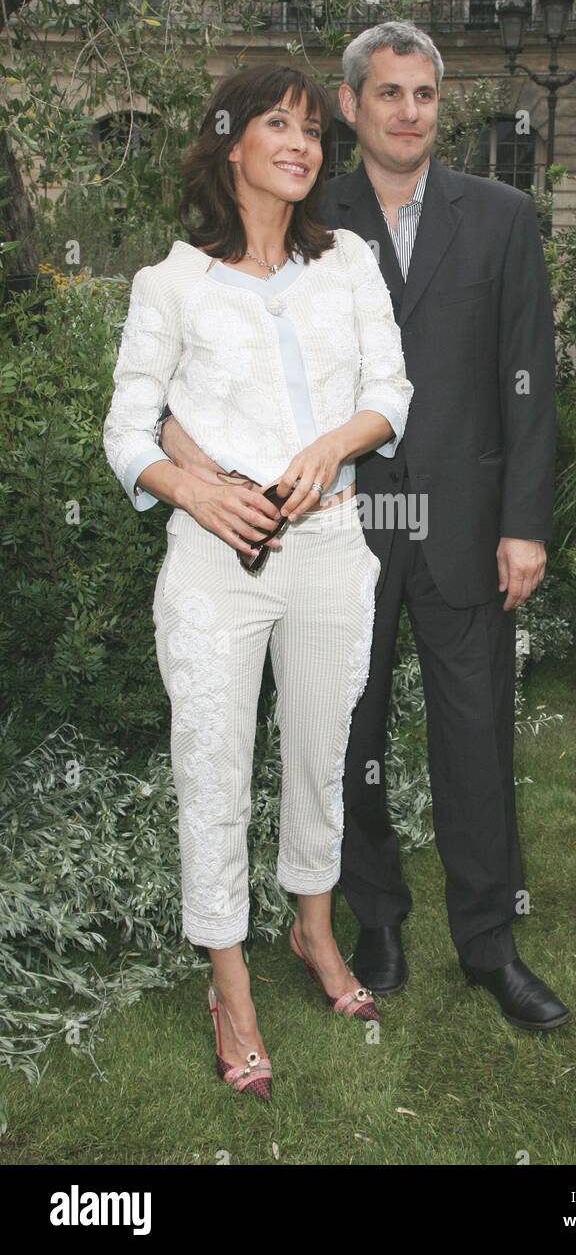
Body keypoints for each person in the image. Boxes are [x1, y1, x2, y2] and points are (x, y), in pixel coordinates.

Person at [154, 22, 571, 1032]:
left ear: (439, 105)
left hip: (467, 523)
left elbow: (529, 380)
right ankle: (373, 919)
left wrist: (524, 522)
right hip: (335, 524)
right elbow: (202, 353)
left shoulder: (503, 215)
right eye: (387, 93)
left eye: (423, 94)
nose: (407, 111)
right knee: (349, 736)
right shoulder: (302, 209)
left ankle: (490, 943)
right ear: (351, 105)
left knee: (475, 737)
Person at [102, 62, 414, 1100]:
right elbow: (125, 423)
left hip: (330, 551)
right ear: (228, 143)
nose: (301, 141)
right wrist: (191, 490)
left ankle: (314, 931)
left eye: (314, 129)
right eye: (278, 123)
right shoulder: (171, 283)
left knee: (324, 757)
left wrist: (335, 443)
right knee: (213, 771)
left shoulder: (350, 263)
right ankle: (228, 985)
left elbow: (389, 389)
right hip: (214, 567)